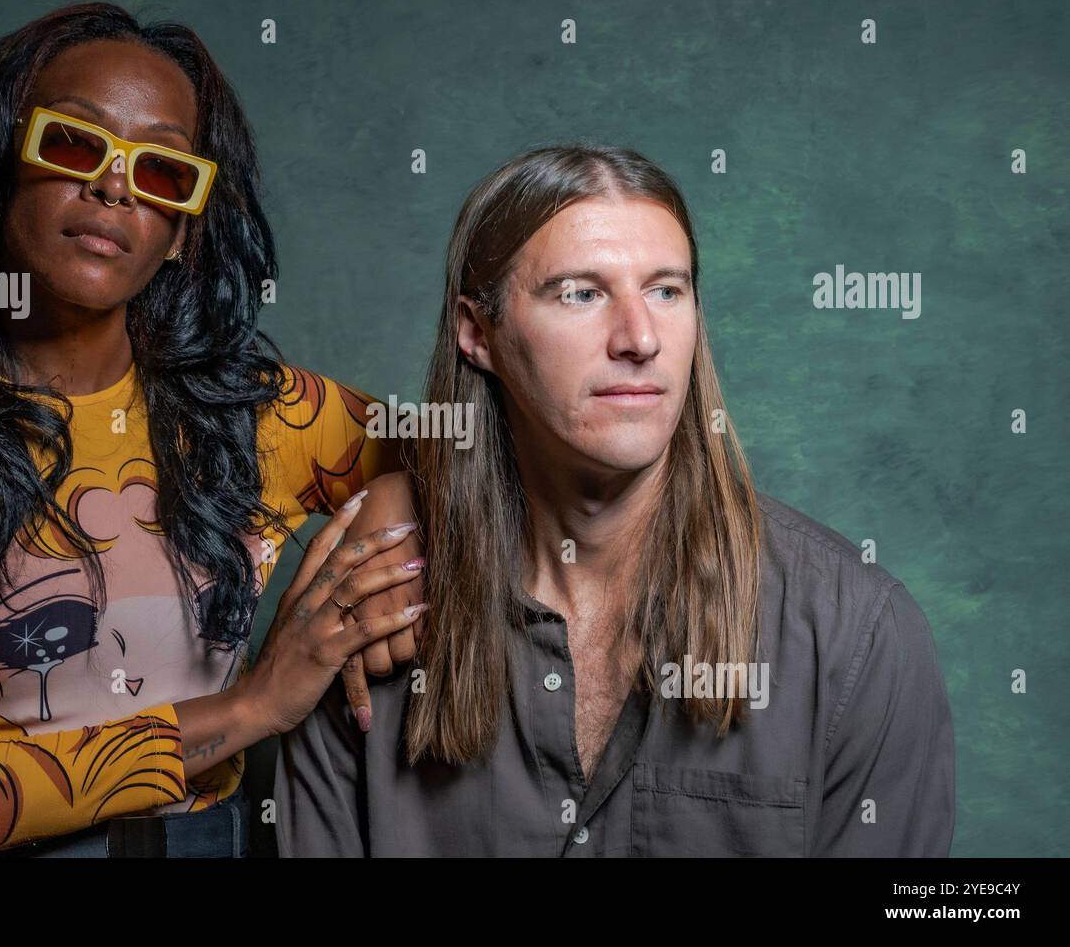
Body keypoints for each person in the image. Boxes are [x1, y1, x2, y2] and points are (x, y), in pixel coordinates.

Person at [0, 3, 423, 858]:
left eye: (163, 171)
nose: (115, 188)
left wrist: (394, 504)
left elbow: (488, 457)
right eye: (75, 145)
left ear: (181, 232)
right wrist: (254, 706)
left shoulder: (264, 413)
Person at [278, 145, 955, 857]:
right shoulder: (361, 616)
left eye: (666, 290)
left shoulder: (856, 634)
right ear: (477, 332)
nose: (640, 339)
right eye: (581, 293)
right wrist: (403, 489)